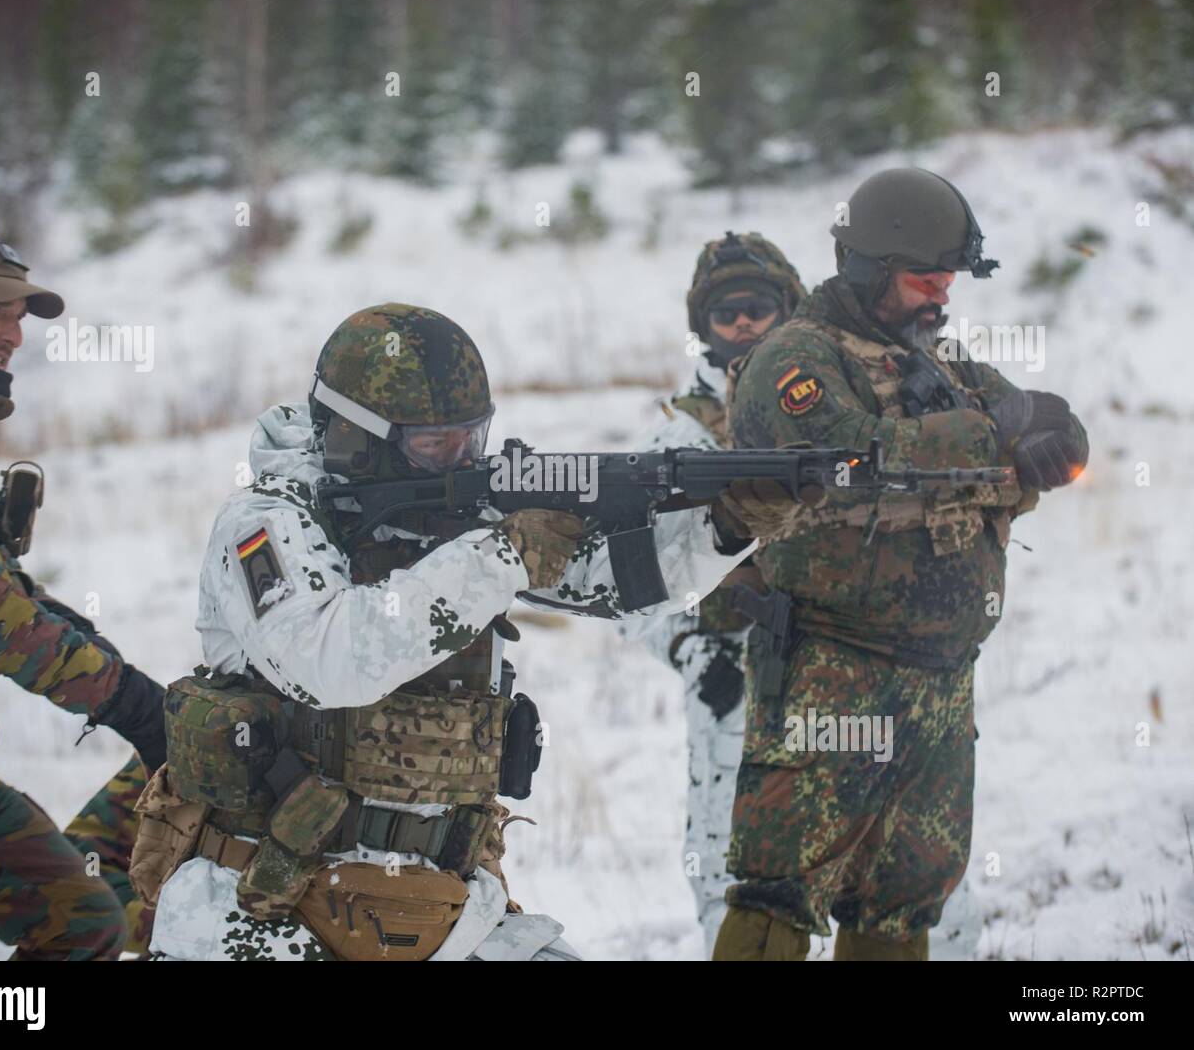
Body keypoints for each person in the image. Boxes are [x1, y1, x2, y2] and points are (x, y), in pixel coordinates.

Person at [136, 302, 801, 961]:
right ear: (357, 437)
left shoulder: (458, 511)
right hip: (265, 905)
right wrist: (501, 556)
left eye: (471, 438)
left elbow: (623, 585)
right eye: (435, 445)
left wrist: (728, 528)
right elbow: (329, 658)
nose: (460, 460)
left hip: (441, 906)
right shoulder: (265, 523)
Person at [718, 169, 1089, 961]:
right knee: (779, 896)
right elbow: (852, 463)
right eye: (926, 276)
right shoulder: (793, 358)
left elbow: (1052, 431)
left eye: (950, 278)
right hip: (832, 677)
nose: (941, 294)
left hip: (942, 686)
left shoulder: (938, 359)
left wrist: (1019, 439)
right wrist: (995, 442)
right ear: (867, 266)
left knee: (901, 903)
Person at [0, 229, 165, 959]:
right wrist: (124, 698)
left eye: (20, 316)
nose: (13, 333)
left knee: (82, 923)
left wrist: (97, 652)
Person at [621, 231, 804, 955]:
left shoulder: (833, 416)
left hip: (842, 666)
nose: (743, 325)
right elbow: (625, 580)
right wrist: (690, 650)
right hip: (731, 676)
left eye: (758, 307)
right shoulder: (678, 438)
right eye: (724, 314)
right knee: (731, 878)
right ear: (703, 328)